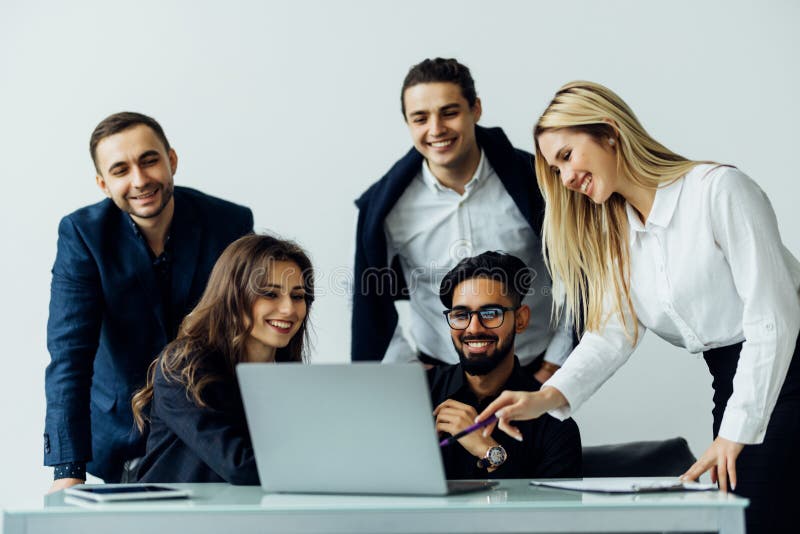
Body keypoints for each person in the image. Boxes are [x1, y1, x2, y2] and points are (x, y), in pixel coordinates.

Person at [477, 81, 800, 533]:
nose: (566, 179)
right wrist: (544, 397)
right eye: (555, 169)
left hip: (787, 366)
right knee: (744, 520)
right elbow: (612, 333)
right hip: (731, 381)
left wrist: (735, 431)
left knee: (758, 519)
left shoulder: (718, 190)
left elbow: (774, 319)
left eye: (567, 156)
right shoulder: (619, 236)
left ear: (609, 132)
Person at [45, 112, 254, 492]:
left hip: (213, 433)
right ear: (103, 184)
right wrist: (67, 470)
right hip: (122, 437)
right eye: (120, 169)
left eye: (149, 160)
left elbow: (250, 334)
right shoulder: (82, 236)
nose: (140, 180)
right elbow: (69, 357)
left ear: (171, 160)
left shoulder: (230, 223)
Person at [353, 58, 572, 383]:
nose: (436, 129)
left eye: (449, 112)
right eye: (420, 118)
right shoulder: (385, 207)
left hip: (533, 369)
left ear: (476, 109)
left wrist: (554, 365)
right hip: (440, 374)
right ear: (408, 124)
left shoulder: (537, 182)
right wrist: (410, 374)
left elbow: (585, 275)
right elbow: (365, 298)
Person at [132, 234, 314, 484]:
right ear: (233, 296)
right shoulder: (184, 366)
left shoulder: (285, 375)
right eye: (270, 294)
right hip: (175, 517)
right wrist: (334, 466)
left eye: (297, 296)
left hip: (246, 515)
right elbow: (239, 464)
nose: (289, 309)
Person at [430, 251, 581, 479]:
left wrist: (489, 452)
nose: (473, 328)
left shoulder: (554, 423)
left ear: (520, 320)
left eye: (490, 313)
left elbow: (553, 513)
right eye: (461, 315)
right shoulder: (417, 398)